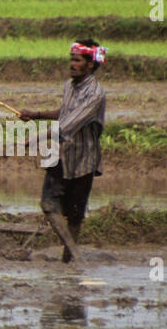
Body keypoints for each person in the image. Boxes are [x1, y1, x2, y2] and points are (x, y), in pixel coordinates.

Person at [20, 39, 107, 263]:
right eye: (71, 59)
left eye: (77, 60)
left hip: (83, 160)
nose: (72, 64)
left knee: (75, 216)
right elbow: (65, 111)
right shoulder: (69, 85)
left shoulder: (96, 95)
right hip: (60, 154)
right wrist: (36, 114)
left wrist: (35, 138)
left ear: (90, 65)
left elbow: (70, 124)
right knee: (48, 205)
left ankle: (69, 260)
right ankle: (76, 257)